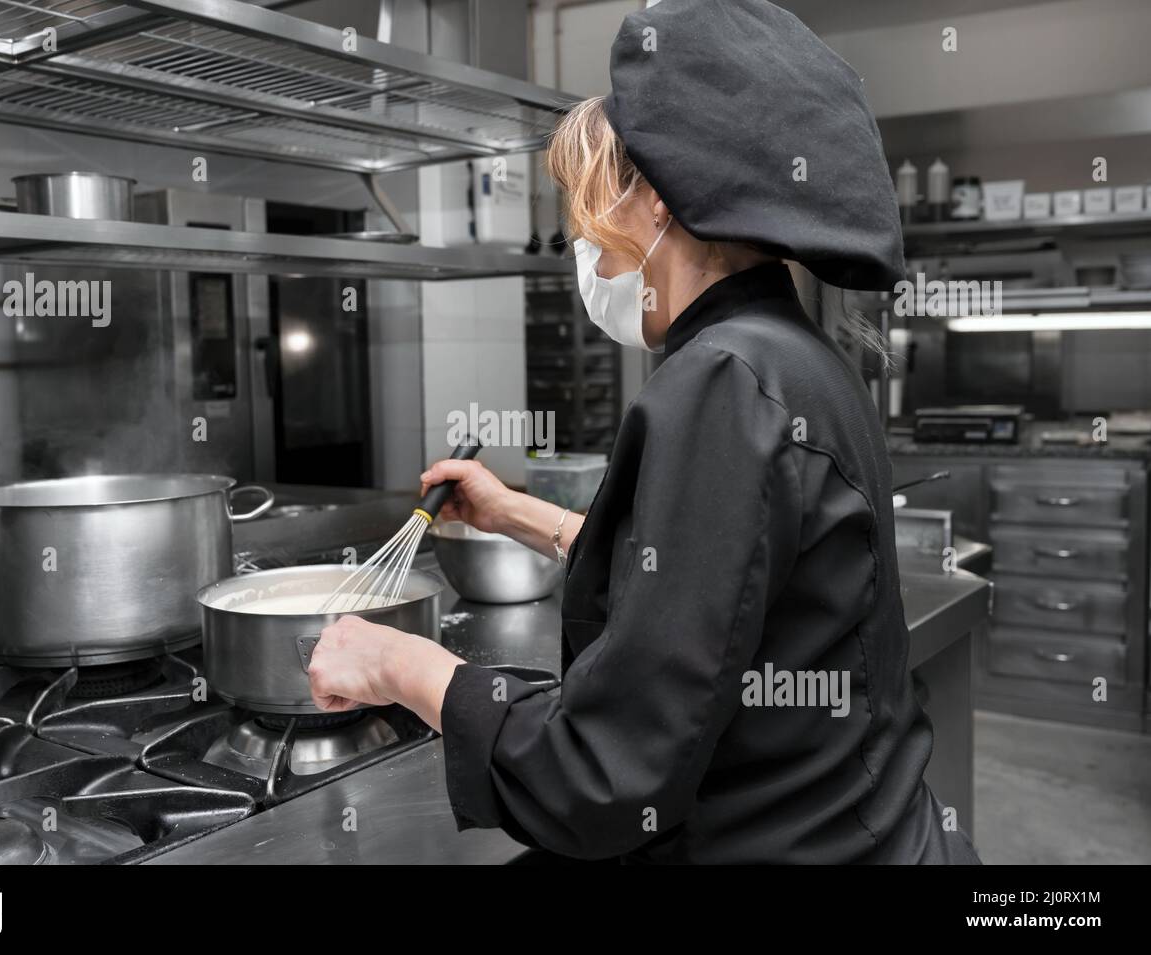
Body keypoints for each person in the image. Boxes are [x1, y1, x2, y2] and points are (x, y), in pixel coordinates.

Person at [306, 0, 981, 864]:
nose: (590, 247)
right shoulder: (792, 357)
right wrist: (520, 514)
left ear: (658, 198)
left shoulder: (721, 382)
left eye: (596, 213)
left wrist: (401, 665)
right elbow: (721, 580)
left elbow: (603, 777)